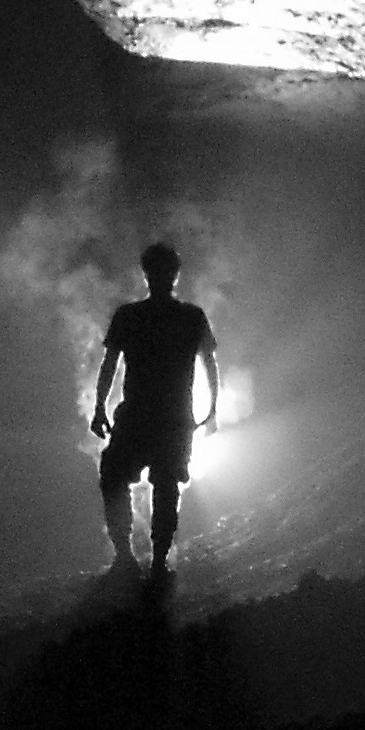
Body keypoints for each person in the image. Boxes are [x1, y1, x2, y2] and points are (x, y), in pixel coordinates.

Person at [90, 242, 219, 578]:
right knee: (162, 485)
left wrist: (100, 408)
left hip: (145, 417)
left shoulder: (132, 316)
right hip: (167, 418)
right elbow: (209, 362)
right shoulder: (189, 317)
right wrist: (212, 411)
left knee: (130, 478)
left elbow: (110, 363)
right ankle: (149, 560)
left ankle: (135, 558)